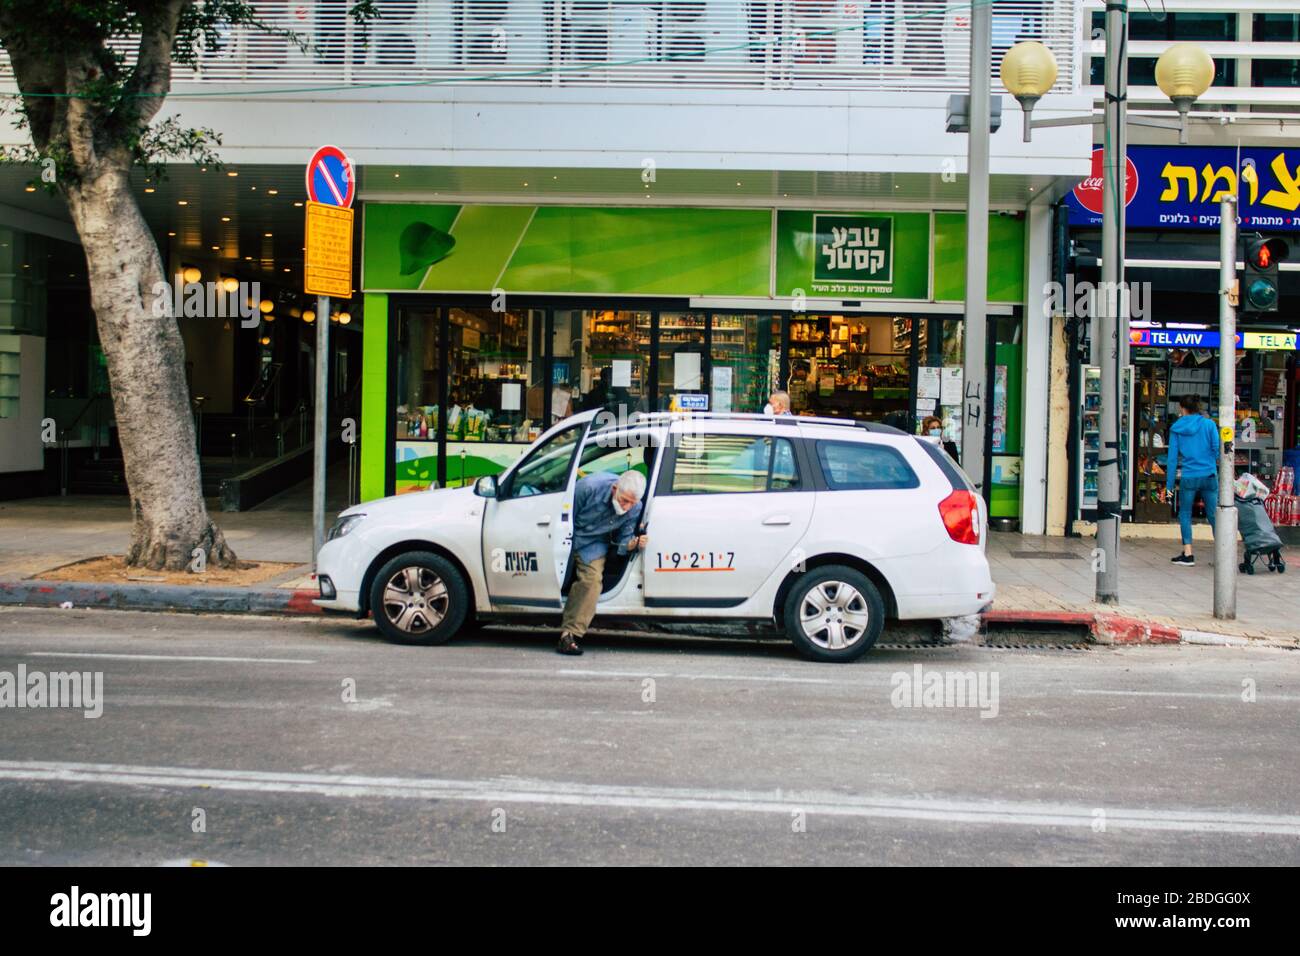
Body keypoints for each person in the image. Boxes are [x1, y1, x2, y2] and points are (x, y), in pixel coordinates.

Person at [557, 470, 648, 655]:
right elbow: (563, 516)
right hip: (566, 536)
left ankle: (569, 634)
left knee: (592, 581)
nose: (626, 507)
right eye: (624, 500)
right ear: (614, 489)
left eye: (632, 503)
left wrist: (632, 544)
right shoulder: (588, 487)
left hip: (594, 544)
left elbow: (623, 540)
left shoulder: (635, 508)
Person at [1160, 394, 1219, 566]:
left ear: (1183, 409)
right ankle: (1221, 554)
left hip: (1189, 476)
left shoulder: (1177, 428)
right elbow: (1217, 449)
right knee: (1213, 515)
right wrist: (1208, 463)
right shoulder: (1209, 424)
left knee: (1185, 513)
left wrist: (1169, 488)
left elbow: (1171, 460)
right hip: (1209, 475)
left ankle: (1188, 553)